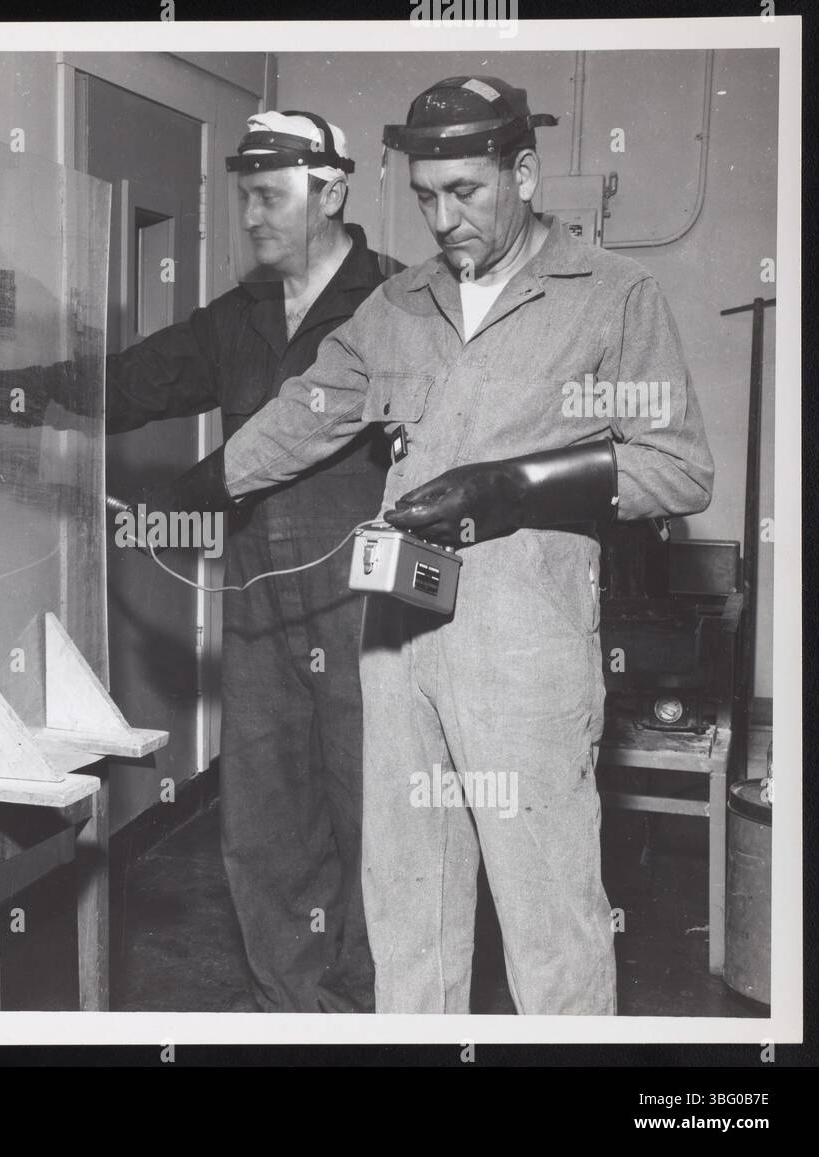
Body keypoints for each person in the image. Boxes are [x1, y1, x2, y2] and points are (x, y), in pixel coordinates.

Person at [165, 76, 714, 1014]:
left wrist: (522, 485)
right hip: (400, 642)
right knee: (408, 914)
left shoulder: (611, 295)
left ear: (525, 172)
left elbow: (678, 467)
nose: (443, 218)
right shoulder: (399, 304)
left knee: (550, 925)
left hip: (524, 652)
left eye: (466, 190)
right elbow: (310, 409)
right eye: (425, 195)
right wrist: (201, 485)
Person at [115, 112, 400, 1013]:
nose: (252, 214)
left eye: (271, 195)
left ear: (332, 191)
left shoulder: (398, 305)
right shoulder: (235, 319)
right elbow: (130, 383)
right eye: (245, 196)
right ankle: (288, 1002)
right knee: (267, 815)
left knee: (373, 813)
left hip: (369, 605)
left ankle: (371, 1003)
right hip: (259, 603)